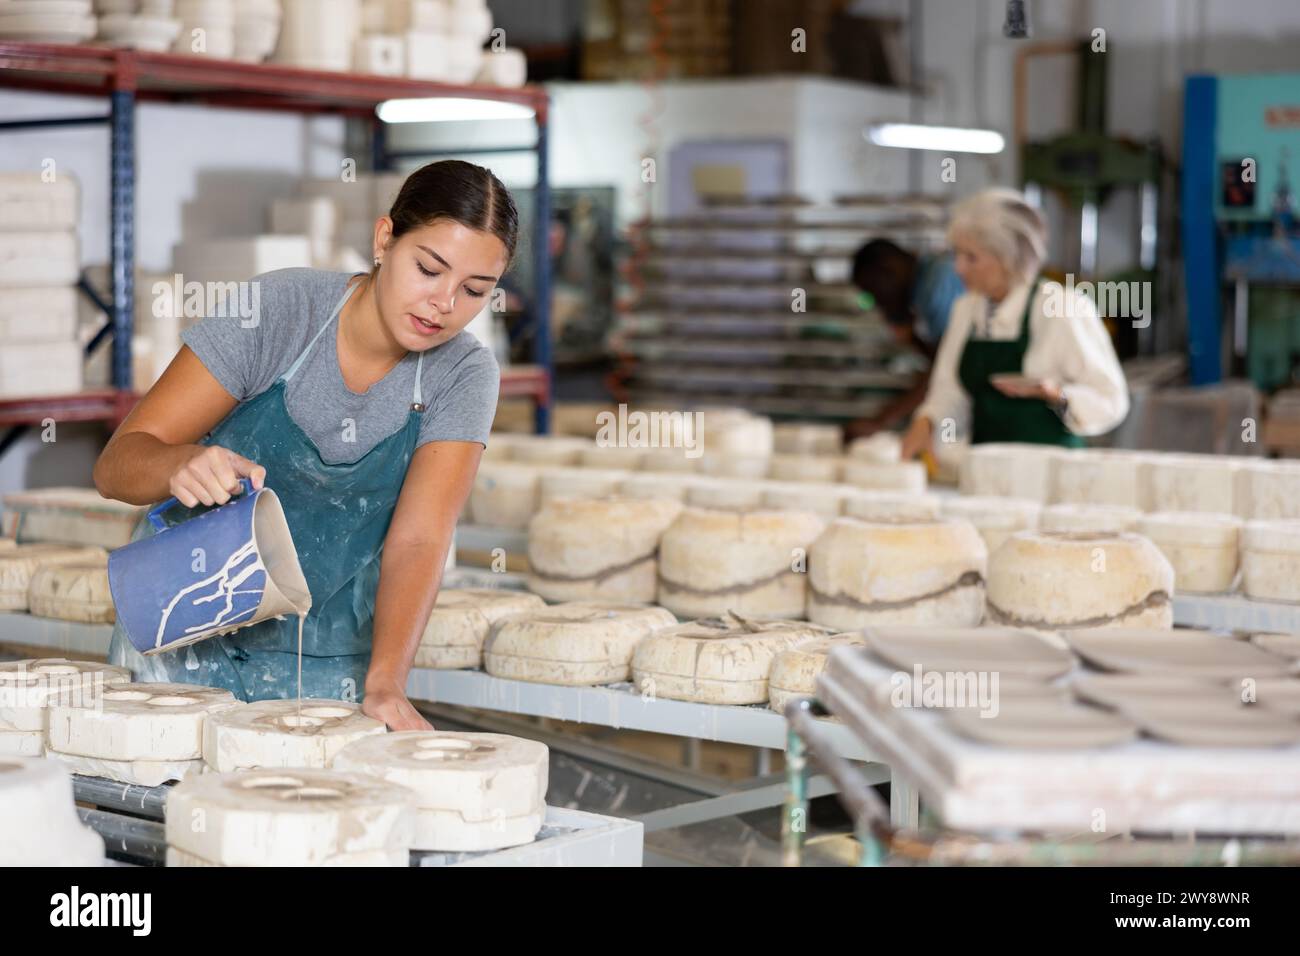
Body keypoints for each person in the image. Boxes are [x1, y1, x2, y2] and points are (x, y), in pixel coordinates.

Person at [93, 160, 512, 731]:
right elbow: (115, 467)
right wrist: (178, 463)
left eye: (473, 291)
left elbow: (419, 539)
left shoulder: (463, 372)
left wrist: (387, 681)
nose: (443, 303)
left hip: (325, 655)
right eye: (428, 269)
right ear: (385, 239)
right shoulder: (279, 311)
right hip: (183, 638)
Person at [900, 188, 1129, 459]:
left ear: (1008, 259)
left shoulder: (1062, 308)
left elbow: (1110, 399)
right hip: (987, 471)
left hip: (1053, 476)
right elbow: (951, 391)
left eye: (971, 257)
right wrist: (928, 421)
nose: (958, 268)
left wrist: (1059, 395)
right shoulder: (966, 310)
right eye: (956, 255)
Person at [845, 239, 964, 441]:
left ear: (890, 270)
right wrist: (910, 335)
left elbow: (946, 367)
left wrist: (881, 421)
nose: (879, 303)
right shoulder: (925, 284)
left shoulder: (936, 284)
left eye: (875, 291)